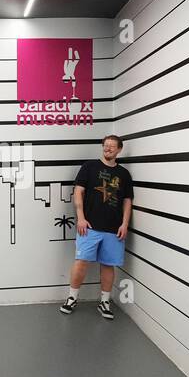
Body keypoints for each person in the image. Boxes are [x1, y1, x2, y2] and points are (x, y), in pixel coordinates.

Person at [60, 134, 133, 320]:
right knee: (81, 261)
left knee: (108, 265)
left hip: (114, 229)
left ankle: (104, 302)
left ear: (119, 149)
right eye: (105, 145)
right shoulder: (89, 167)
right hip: (89, 226)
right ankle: (72, 298)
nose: (108, 148)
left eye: (112, 146)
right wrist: (81, 218)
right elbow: (78, 192)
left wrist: (125, 224)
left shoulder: (124, 174)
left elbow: (127, 201)